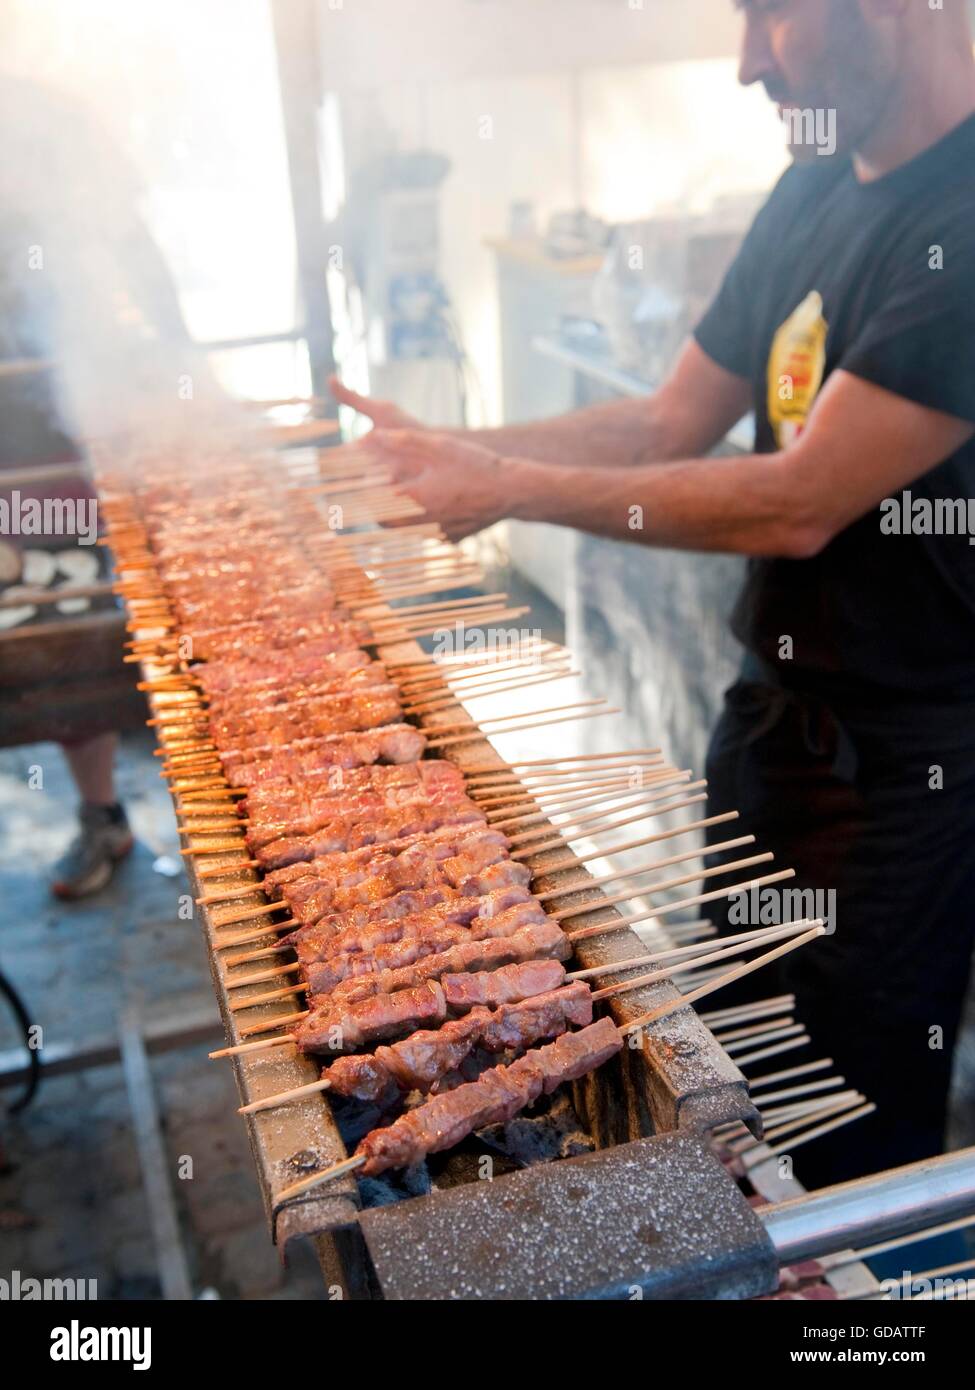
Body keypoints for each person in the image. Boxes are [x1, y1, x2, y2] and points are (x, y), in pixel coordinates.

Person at [326, 0, 975, 1186]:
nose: (743, 65)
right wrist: (458, 449)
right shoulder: (818, 180)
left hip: (903, 773)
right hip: (777, 726)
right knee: (734, 1087)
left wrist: (508, 488)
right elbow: (666, 419)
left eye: (772, 13)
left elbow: (802, 499)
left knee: (849, 1136)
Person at [0, 73, 192, 899]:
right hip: (14, 440)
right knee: (45, 631)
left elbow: (133, 242)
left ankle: (164, 813)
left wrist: (180, 368)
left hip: (77, 424)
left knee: (124, 621)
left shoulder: (50, 110)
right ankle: (103, 816)